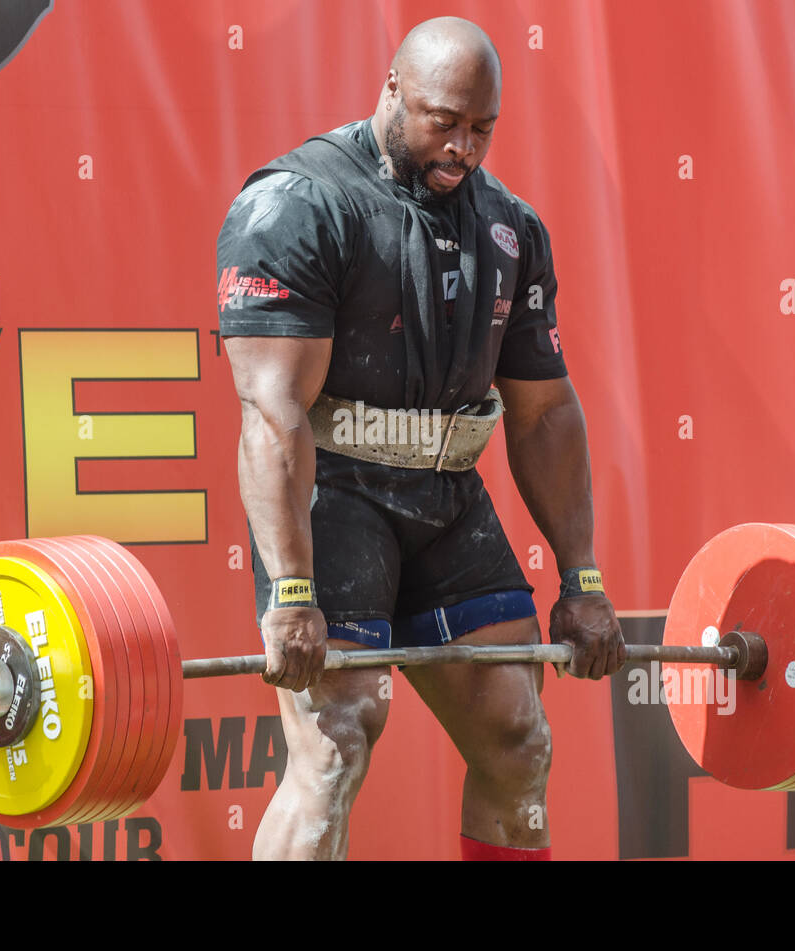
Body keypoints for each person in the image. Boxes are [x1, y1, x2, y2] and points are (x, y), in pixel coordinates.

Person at [216, 15, 623, 861]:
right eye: (444, 121)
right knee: (335, 748)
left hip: (445, 502)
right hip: (334, 496)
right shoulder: (297, 206)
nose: (463, 149)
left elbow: (544, 412)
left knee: (519, 737)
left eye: (482, 129)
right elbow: (273, 413)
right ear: (392, 89)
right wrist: (292, 593)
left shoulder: (510, 230)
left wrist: (581, 578)